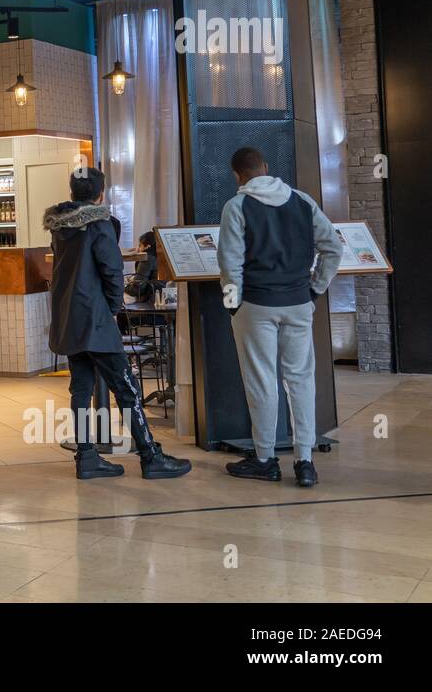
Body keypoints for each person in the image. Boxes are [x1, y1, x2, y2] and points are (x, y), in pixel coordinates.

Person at [45, 166, 190, 480]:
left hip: (69, 317)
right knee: (127, 388)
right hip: (96, 318)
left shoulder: (59, 227)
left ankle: (86, 457)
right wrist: (113, 308)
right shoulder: (100, 224)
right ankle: (150, 456)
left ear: (72, 193)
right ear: (101, 194)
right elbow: (112, 270)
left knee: (80, 389)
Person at [217, 147, 343, 488]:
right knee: (301, 379)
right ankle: (305, 461)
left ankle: (265, 459)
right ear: (267, 167)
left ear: (237, 175)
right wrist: (314, 288)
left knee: (262, 381)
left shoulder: (237, 206)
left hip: (256, 305)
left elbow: (230, 265)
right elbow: (333, 247)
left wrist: (233, 304)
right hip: (299, 302)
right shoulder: (302, 201)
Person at [125, 230, 159, 304]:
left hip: (148, 298)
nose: (138, 248)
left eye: (140, 245)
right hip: (157, 296)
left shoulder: (147, 258)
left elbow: (137, 289)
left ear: (148, 246)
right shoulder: (159, 255)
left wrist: (123, 287)